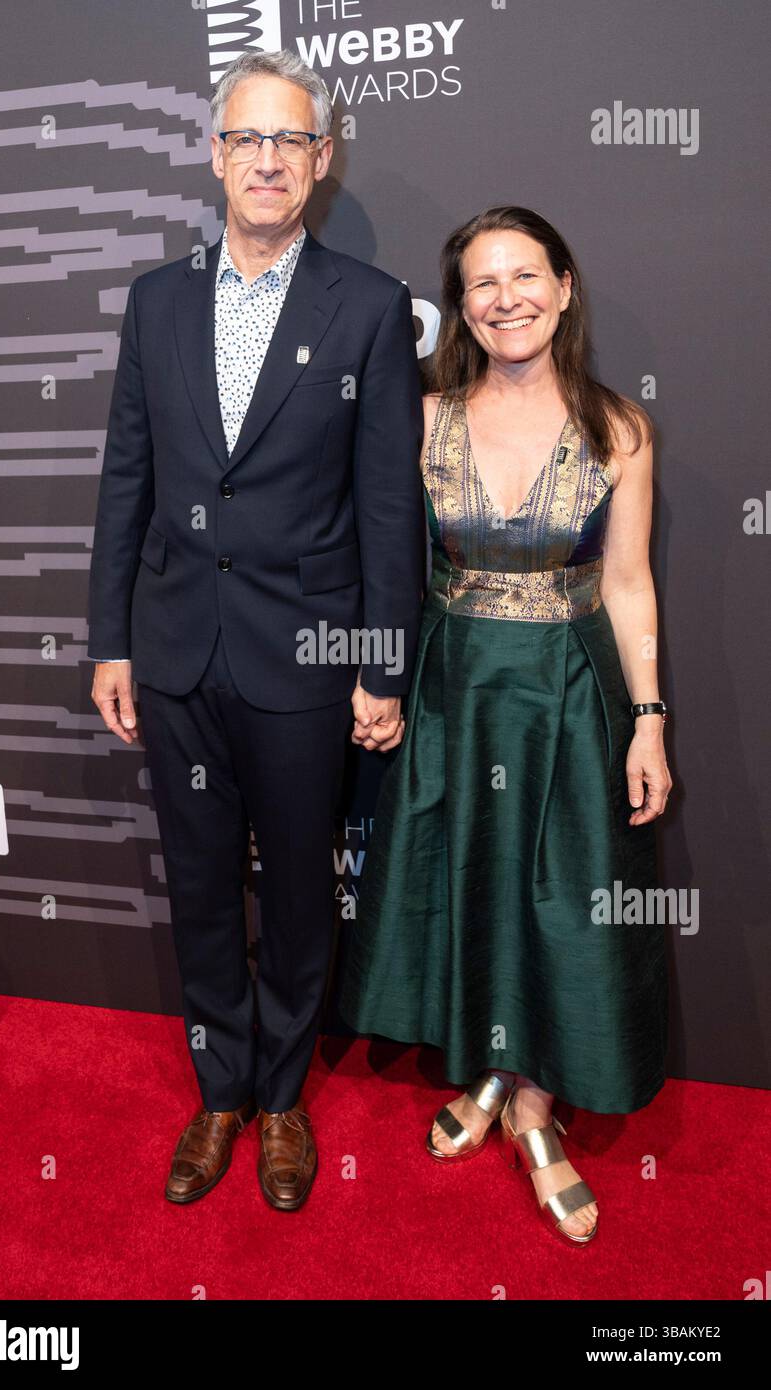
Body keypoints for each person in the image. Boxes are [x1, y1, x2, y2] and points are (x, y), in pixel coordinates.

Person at [86, 50, 426, 1210]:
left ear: (321, 162)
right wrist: (111, 640)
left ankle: (280, 1099)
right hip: (178, 654)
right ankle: (217, 1087)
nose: (268, 160)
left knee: (293, 896)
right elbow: (125, 478)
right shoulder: (157, 300)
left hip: (310, 663)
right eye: (247, 139)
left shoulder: (371, 312)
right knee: (195, 885)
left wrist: (384, 661)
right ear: (215, 153)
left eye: (291, 142)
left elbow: (390, 506)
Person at [339, 205, 673, 1245]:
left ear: (564, 288)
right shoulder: (423, 419)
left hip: (571, 698)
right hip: (452, 686)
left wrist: (650, 719)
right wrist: (376, 674)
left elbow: (626, 584)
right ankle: (487, 1072)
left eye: (525, 275)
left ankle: (537, 1110)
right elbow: (384, 566)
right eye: (482, 284)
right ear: (461, 308)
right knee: (468, 880)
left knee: (562, 897)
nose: (505, 298)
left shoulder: (619, 429)